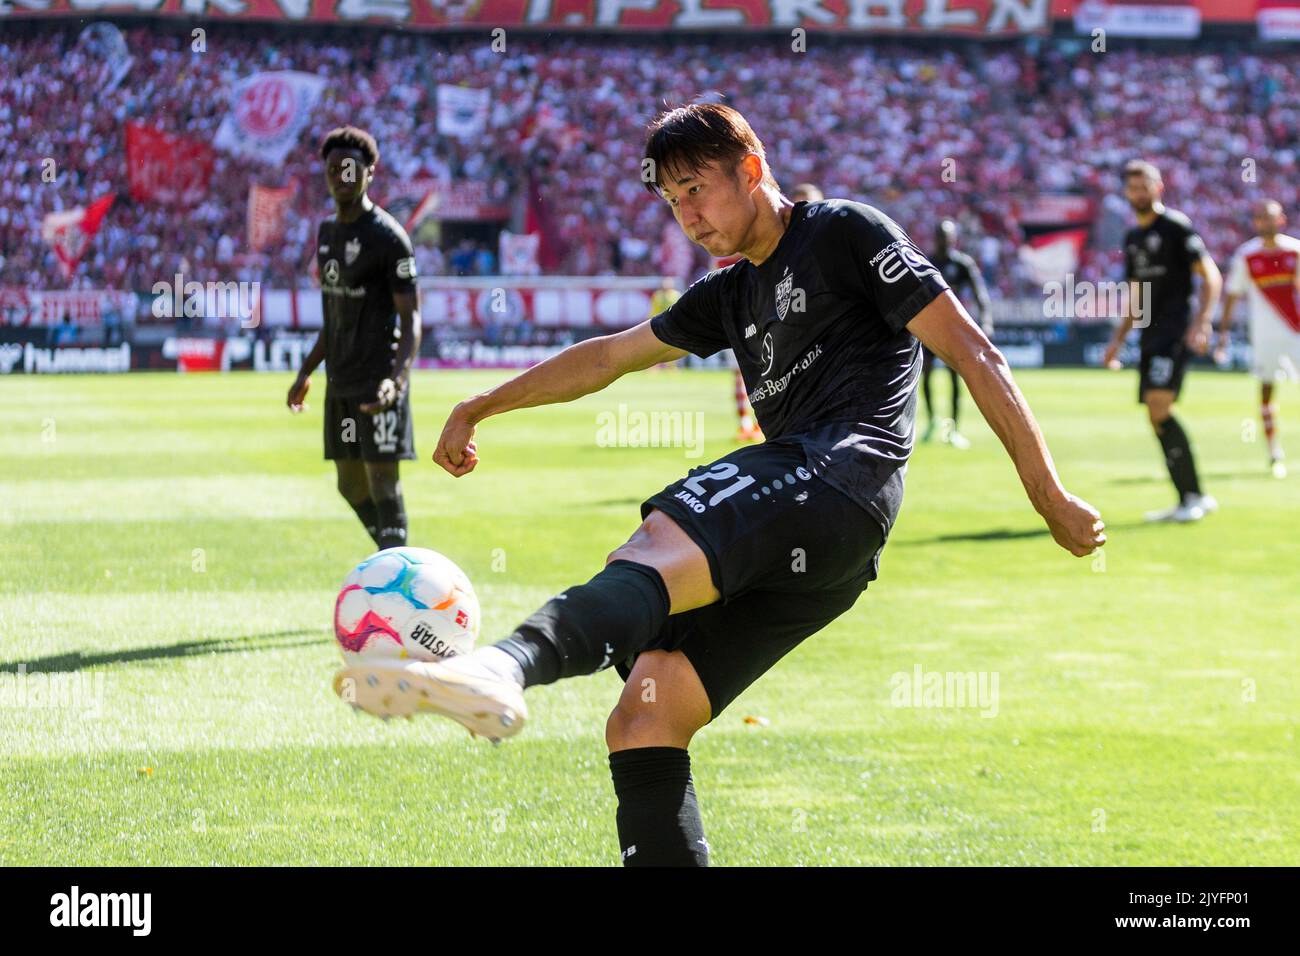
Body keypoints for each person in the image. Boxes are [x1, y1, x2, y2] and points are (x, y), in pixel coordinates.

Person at [335, 103, 1105, 866]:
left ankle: (502, 666)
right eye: (672, 202)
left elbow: (975, 352)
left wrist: (1048, 494)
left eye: (696, 189)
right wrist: (481, 404)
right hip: (826, 560)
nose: (687, 216)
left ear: (751, 167)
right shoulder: (730, 292)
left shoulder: (845, 231)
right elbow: (608, 357)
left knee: (651, 548)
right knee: (646, 712)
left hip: (837, 476)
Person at [287, 126, 422, 550]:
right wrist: (306, 371)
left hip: (377, 381)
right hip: (340, 384)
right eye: (333, 169)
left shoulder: (389, 238)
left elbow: (412, 319)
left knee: (384, 485)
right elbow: (334, 316)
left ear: (370, 173)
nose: (342, 175)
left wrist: (395, 381)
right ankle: (394, 563)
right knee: (349, 485)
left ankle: (400, 582)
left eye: (351, 168)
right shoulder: (327, 233)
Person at [1103, 160, 1222, 523]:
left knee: (1159, 408)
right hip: (1150, 335)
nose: (1139, 193)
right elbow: (1136, 297)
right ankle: (1190, 496)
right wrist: (1117, 341)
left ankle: (1193, 497)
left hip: (1175, 330)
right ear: (1127, 193)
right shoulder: (1133, 239)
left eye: (1145, 186)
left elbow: (1211, 276)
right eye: (1133, 188)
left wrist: (1202, 322)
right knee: (1156, 418)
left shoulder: (1175, 227)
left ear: (1159, 188)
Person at [1216, 199, 1300, 479]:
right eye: (1261, 217)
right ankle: (1274, 452)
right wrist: (1223, 333)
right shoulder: (1246, 255)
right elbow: (1232, 294)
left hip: (1296, 332)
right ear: (1255, 222)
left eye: (1271, 217)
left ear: (1281, 220)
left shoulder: (1294, 251)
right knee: (1266, 390)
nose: (1266, 222)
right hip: (1265, 336)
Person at [921, 220, 993, 448]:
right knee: (926, 374)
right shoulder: (927, 262)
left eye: (948, 236)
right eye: (941, 236)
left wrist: (986, 321)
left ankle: (952, 429)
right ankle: (932, 420)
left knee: (954, 377)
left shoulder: (961, 264)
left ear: (954, 238)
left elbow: (980, 294)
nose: (944, 240)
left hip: (953, 329)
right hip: (929, 327)